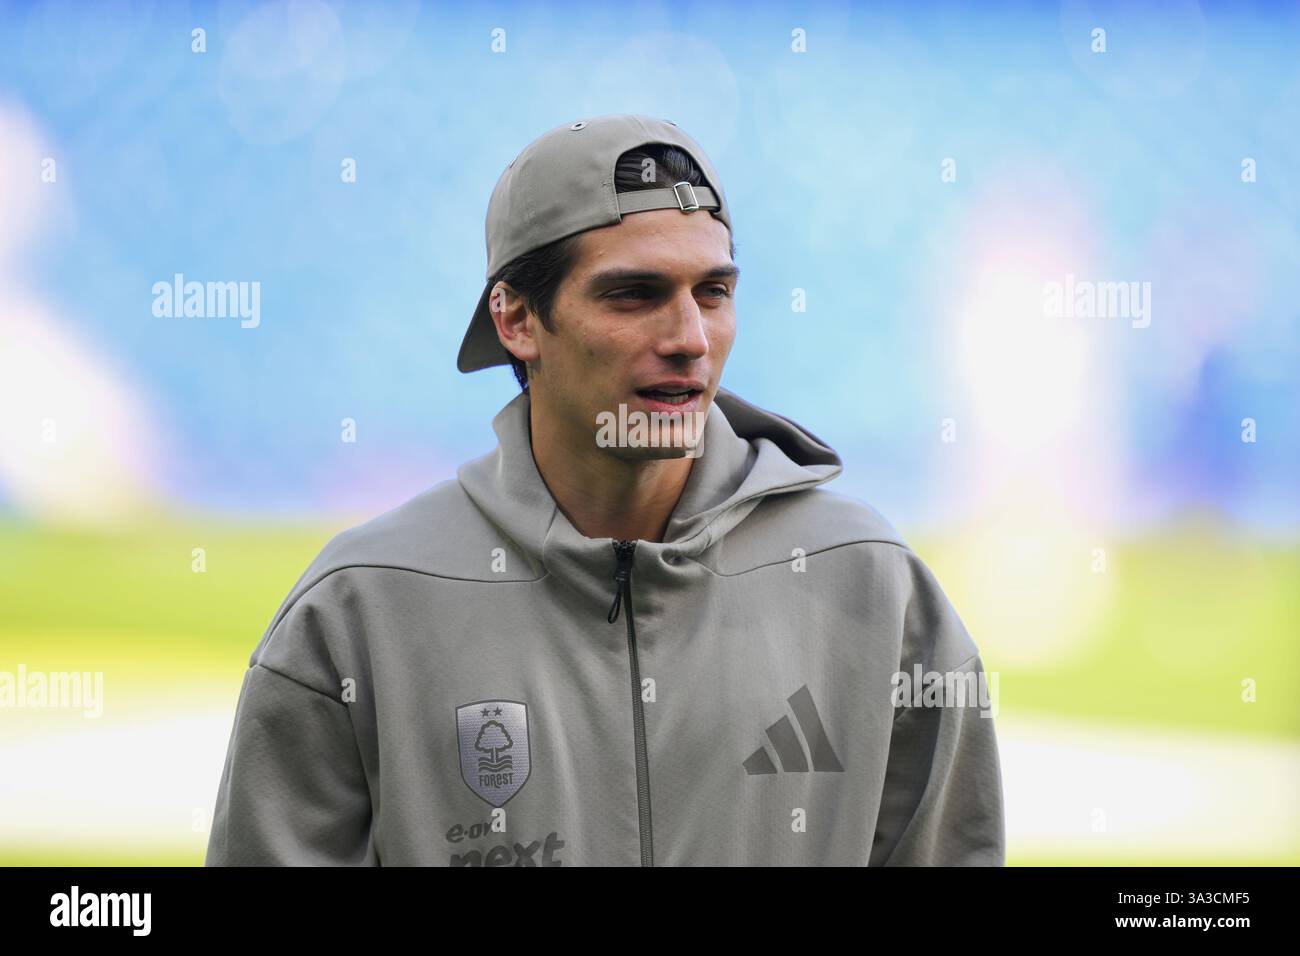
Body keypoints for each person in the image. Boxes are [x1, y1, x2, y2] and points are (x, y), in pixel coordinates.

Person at [205, 114, 1005, 866]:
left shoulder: (871, 586)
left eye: (713, 293)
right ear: (517, 320)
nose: (689, 338)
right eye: (635, 294)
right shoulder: (363, 608)